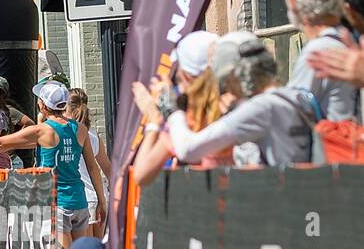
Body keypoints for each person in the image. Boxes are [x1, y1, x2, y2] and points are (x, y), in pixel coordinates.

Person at [0, 80, 103, 249]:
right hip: (79, 201)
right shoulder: (80, 129)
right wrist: (102, 201)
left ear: (42, 105)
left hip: (56, 202)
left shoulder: (43, 130)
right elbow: (93, 168)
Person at [134, 34, 318, 179]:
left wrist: (168, 110)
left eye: (224, 82)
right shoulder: (293, 96)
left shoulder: (260, 108)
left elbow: (188, 149)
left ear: (233, 75)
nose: (224, 89)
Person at [281, 0, 358, 120]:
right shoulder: (349, 39)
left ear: (293, 1)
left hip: (334, 144)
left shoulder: (318, 52)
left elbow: (288, 118)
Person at [67, 88, 111, 236]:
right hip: (99, 197)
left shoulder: (66, 133)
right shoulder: (92, 134)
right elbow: (107, 168)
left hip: (80, 199)